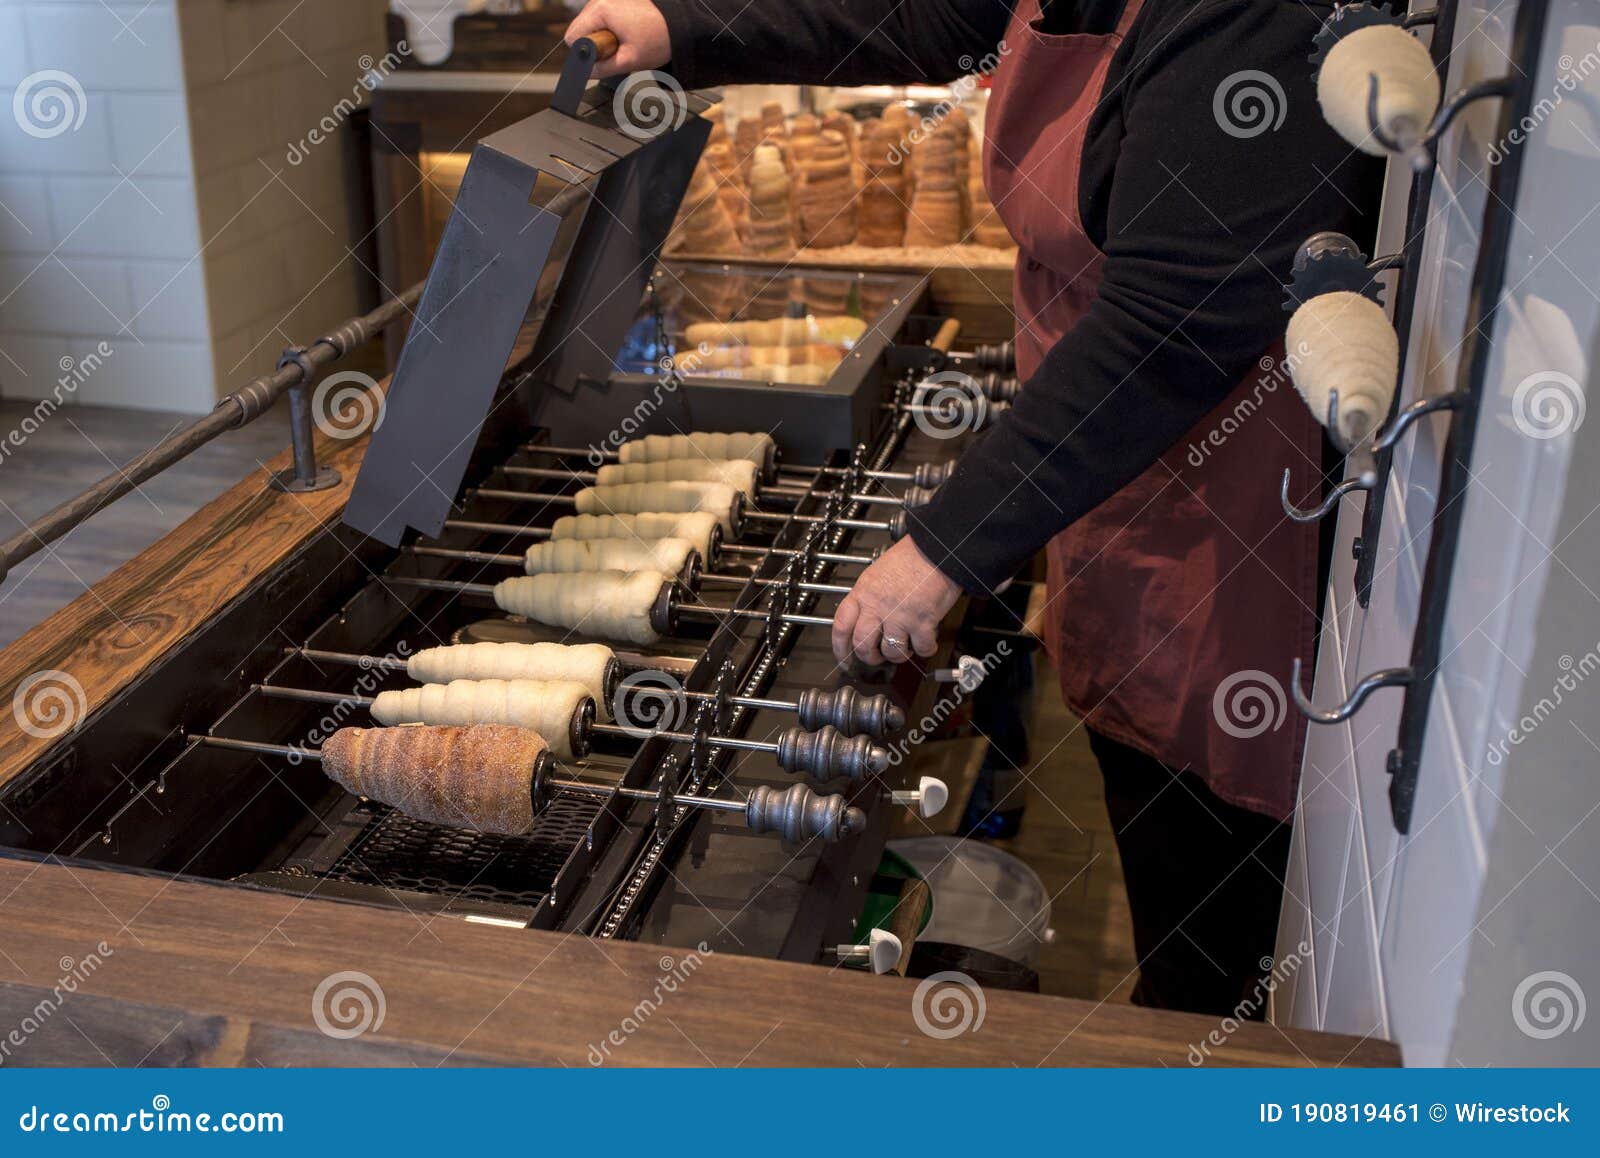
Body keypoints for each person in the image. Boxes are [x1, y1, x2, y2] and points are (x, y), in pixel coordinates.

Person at [568, 0, 1382, 1017]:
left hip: (1229, 524)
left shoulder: (1249, 20)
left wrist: (944, 546)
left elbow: (1176, 321)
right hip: (1117, 492)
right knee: (1158, 853)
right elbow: (928, 14)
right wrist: (686, 28)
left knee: (1214, 936)